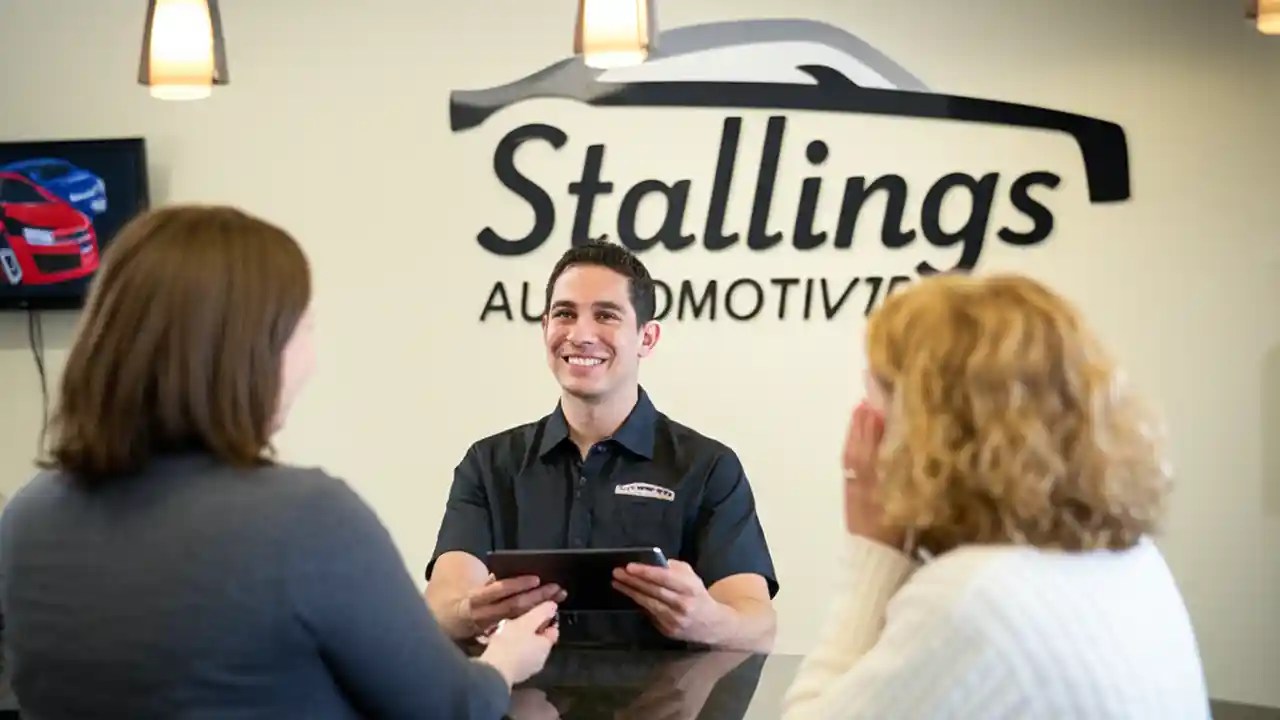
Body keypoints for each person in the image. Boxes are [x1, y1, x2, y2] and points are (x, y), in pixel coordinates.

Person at [0, 205, 560, 719]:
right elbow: (448, 707)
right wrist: (505, 661)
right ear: (249, 349)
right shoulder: (305, 518)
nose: (311, 359)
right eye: (304, 327)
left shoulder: (27, 516)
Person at [782, 273, 1210, 719]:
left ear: (928, 425)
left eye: (880, 393)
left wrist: (873, 551)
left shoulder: (972, 599)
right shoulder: (1131, 560)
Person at [424, 240, 779, 651]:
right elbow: (441, 607)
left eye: (606, 315)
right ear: (545, 329)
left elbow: (759, 624)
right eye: (565, 314)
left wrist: (707, 620)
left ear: (647, 337)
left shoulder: (708, 468)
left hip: (660, 712)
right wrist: (472, 612)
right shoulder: (489, 465)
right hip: (518, 708)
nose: (581, 334)